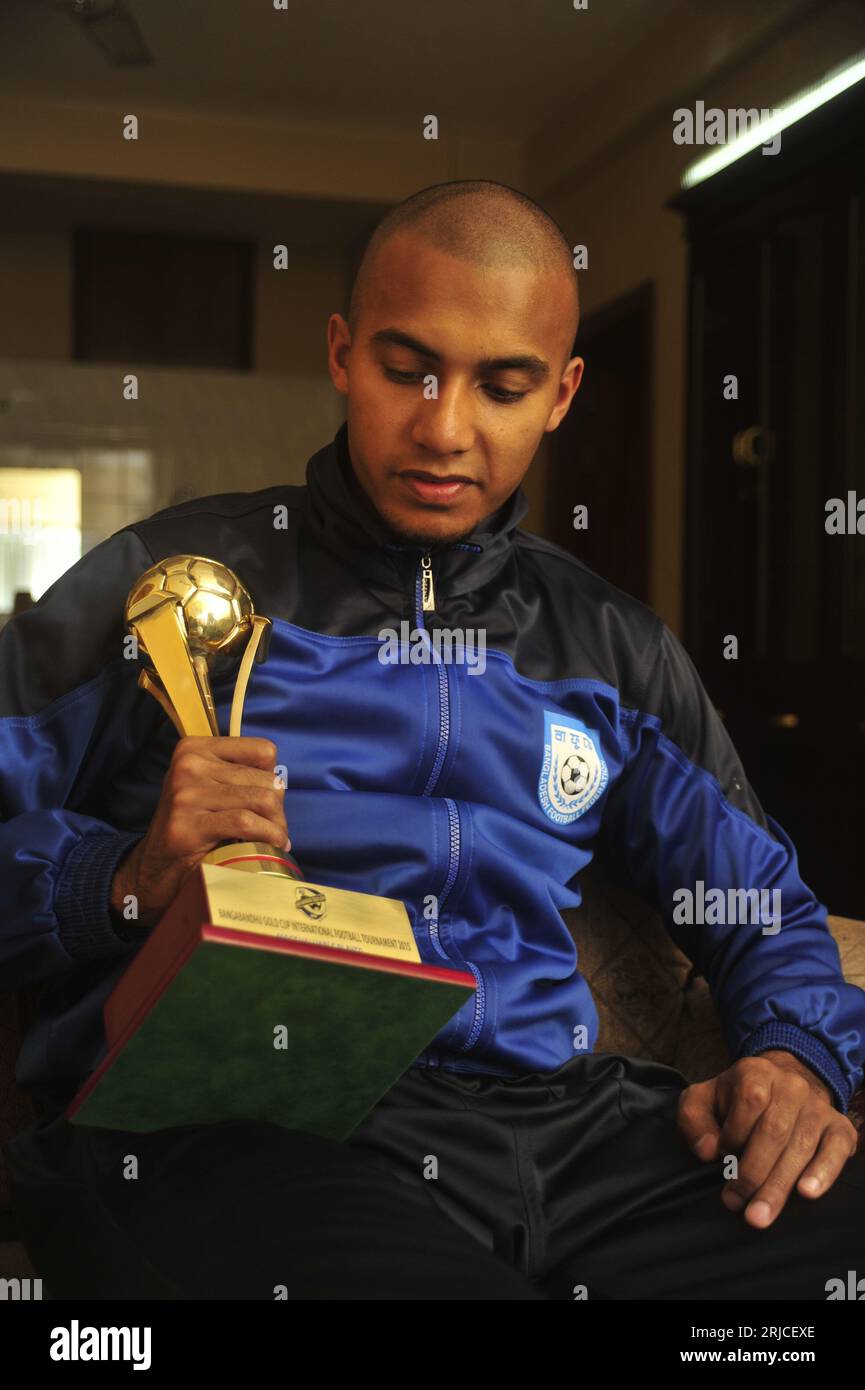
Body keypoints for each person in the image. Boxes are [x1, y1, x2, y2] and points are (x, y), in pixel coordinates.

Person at [2, 180, 864, 1301]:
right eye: (408, 369)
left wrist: (798, 1057)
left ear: (560, 395)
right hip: (247, 1123)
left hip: (569, 1136)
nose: (445, 427)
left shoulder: (612, 647)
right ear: (341, 355)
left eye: (501, 385)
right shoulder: (164, 586)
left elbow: (759, 905)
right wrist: (118, 878)